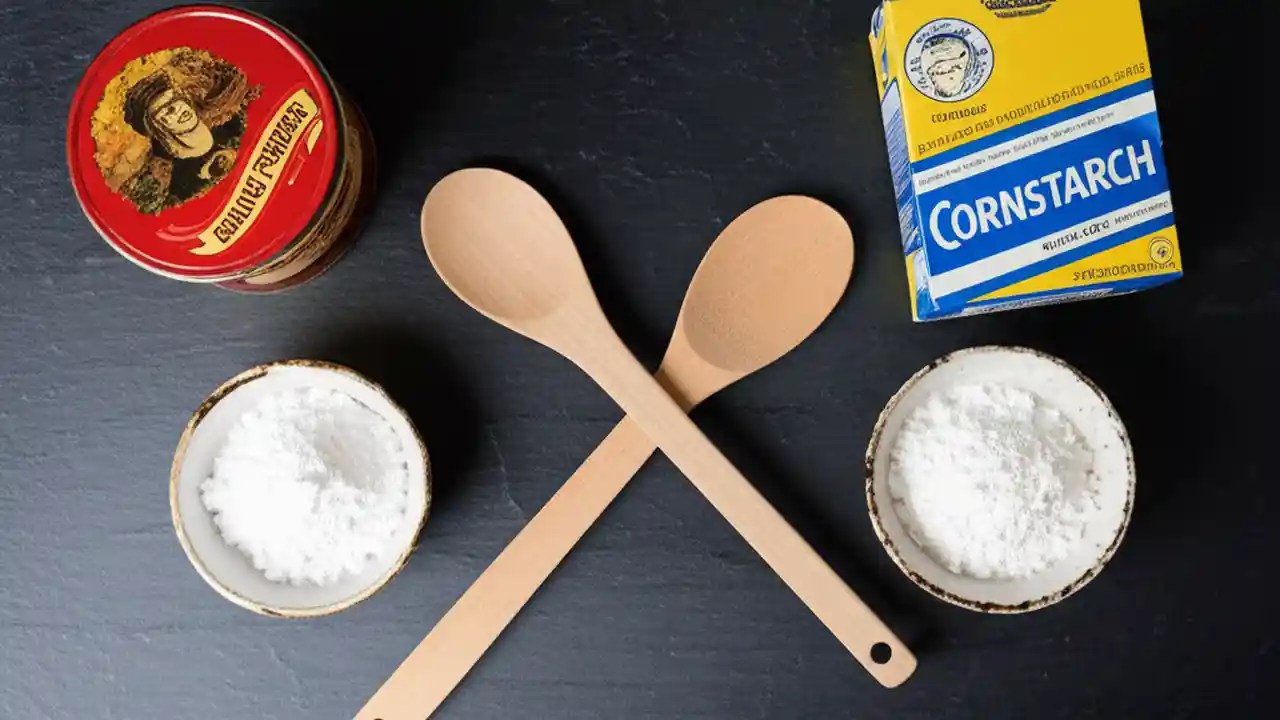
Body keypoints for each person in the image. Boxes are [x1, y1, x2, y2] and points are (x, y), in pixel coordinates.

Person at [119, 49, 256, 214]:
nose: (176, 110)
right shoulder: (178, 181)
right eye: (165, 112)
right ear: (159, 128)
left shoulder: (232, 120)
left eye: (175, 101)